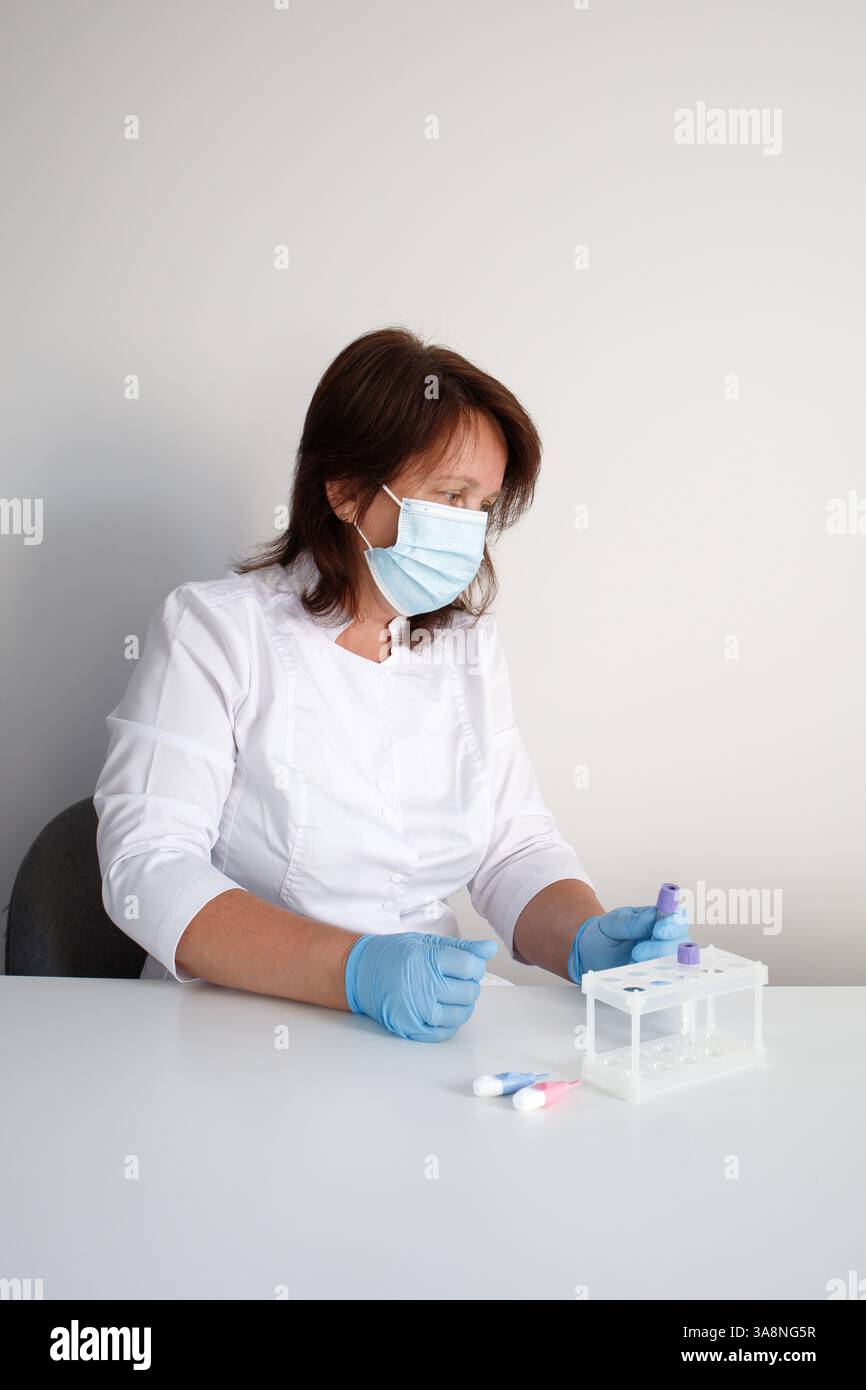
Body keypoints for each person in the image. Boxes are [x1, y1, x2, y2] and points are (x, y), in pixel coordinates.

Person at [93, 326, 688, 1042]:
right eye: (449, 494)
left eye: (481, 506)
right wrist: (355, 969)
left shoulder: (466, 650)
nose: (469, 531)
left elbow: (514, 850)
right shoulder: (217, 632)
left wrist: (586, 940)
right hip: (239, 1026)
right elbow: (146, 868)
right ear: (346, 491)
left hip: (427, 1023)